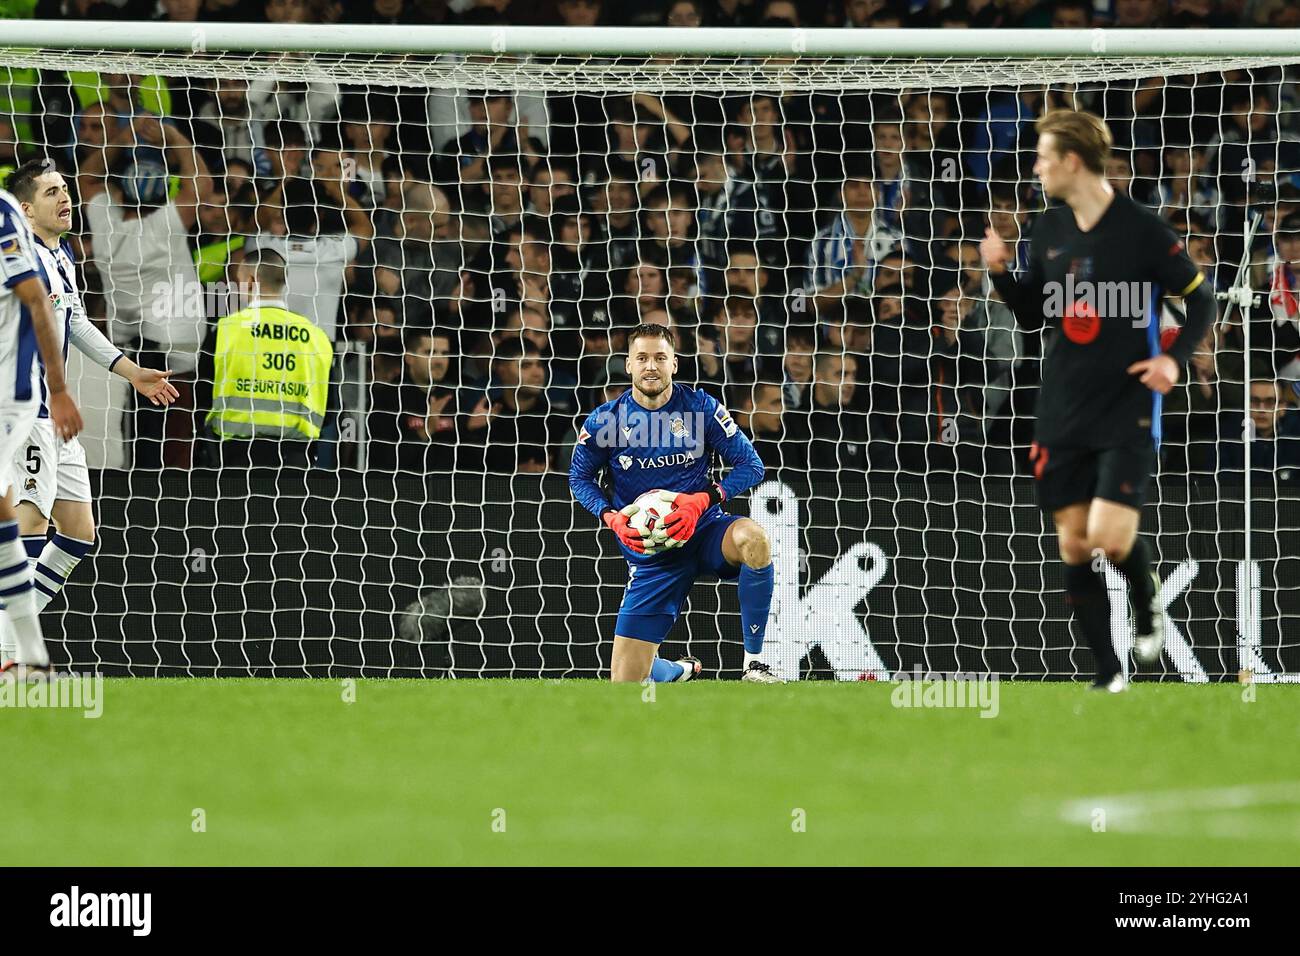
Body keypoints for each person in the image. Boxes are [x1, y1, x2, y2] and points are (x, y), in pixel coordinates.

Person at [981, 108, 1216, 692]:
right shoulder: (1048, 230)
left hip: (1127, 404)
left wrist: (1173, 358)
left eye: (1042, 156)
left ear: (1071, 161)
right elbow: (1035, 314)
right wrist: (1001, 275)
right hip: (1062, 406)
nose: (1035, 167)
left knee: (1112, 539)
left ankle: (1147, 609)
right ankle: (1108, 672)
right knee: (1075, 543)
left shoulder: (1142, 230)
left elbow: (1201, 299)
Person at [1, 159, 178, 664]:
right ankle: (10, 656)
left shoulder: (63, 256)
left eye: (66, 190)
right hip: (22, 410)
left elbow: (74, 320)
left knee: (79, 532)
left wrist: (130, 370)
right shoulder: (16, 258)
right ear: (27, 209)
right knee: (29, 523)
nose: (66, 198)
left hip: (54, 418)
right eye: (52, 192)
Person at [568, 322, 781, 684]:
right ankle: (680, 670)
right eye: (642, 358)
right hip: (652, 553)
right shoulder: (606, 420)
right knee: (625, 683)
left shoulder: (700, 408)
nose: (651, 366)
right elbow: (579, 477)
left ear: (674, 364)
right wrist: (611, 516)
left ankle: (755, 664)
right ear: (629, 365)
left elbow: (752, 465)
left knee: (755, 540)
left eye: (660, 358)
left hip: (705, 530)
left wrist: (703, 500)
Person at [0, 185, 84, 679]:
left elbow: (39, 305)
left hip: (14, 398)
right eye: (53, 190)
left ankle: (18, 654)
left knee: (29, 522)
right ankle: (27, 657)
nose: (64, 199)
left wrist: (59, 389)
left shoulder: (6, 217)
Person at [196, 250, 333, 468]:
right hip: (297, 460)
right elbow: (330, 409)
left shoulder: (225, 330)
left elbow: (201, 397)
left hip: (237, 459)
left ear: (250, 281)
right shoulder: (317, 337)